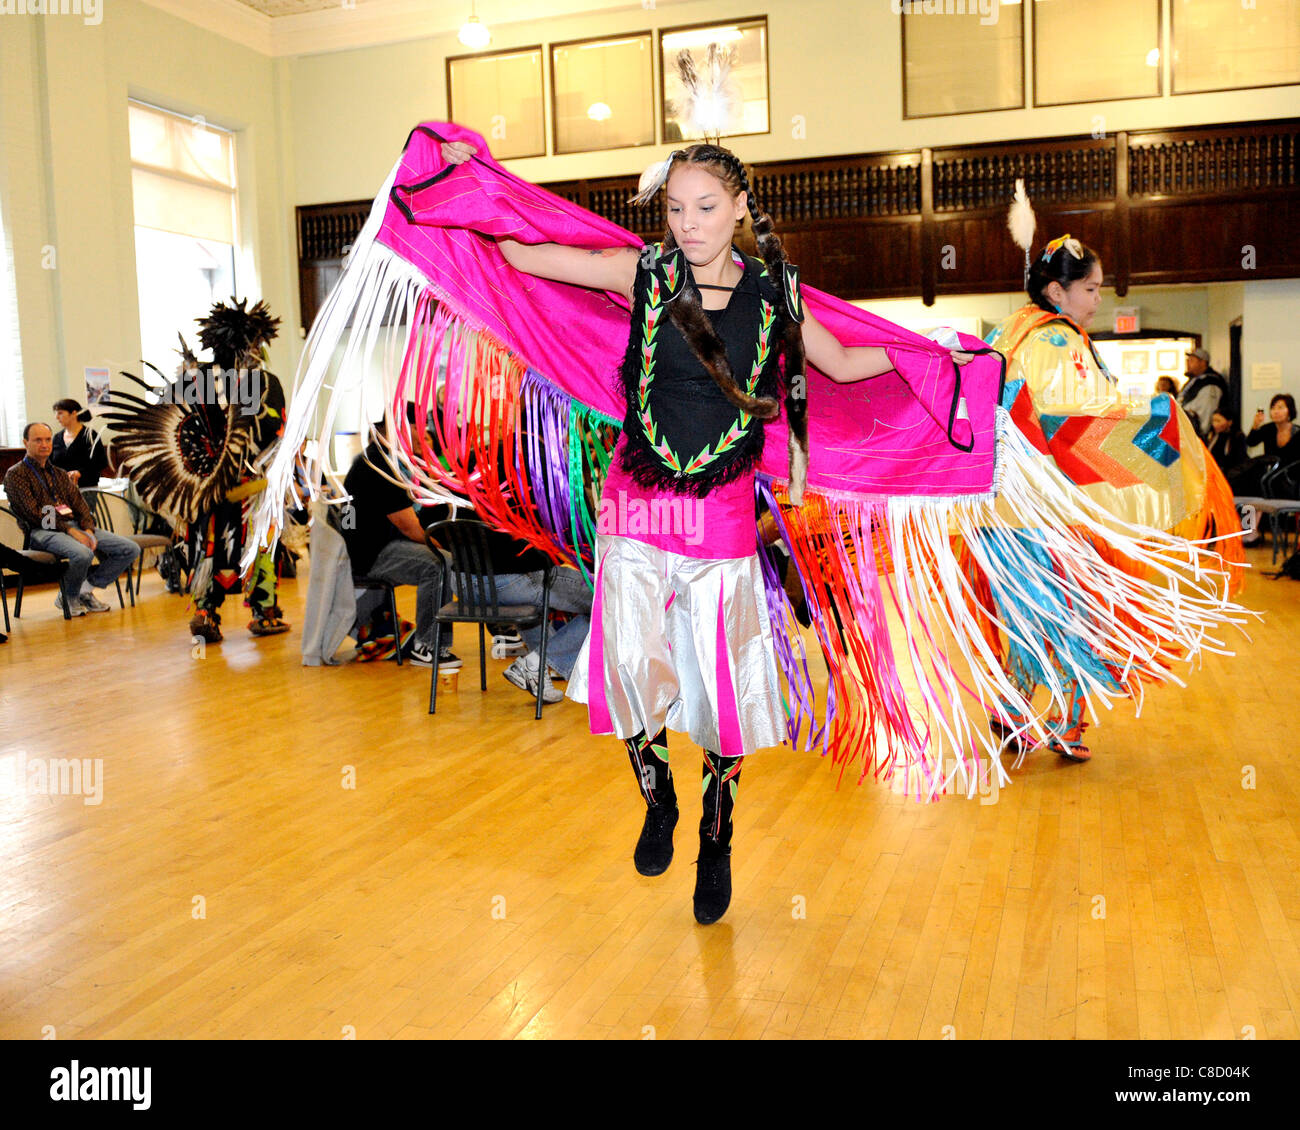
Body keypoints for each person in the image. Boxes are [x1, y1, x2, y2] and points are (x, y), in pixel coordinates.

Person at [440, 137, 973, 925]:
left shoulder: (776, 290)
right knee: (628, 668)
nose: (687, 225)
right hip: (638, 504)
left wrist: (936, 359)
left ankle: (715, 833)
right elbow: (528, 255)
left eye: (705, 208)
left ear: (740, 209)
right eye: (675, 209)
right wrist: (459, 187)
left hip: (720, 511)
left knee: (725, 689)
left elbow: (840, 361)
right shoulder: (644, 274)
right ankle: (658, 799)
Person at [983, 233, 1242, 763]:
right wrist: (1157, 417)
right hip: (1047, 511)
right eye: (1092, 289)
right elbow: (1069, 420)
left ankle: (1015, 708)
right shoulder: (1057, 340)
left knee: (1032, 610)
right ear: (1058, 291)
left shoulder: (1013, 331)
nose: (1099, 299)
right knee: (1069, 613)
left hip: (1009, 507)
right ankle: (1059, 722)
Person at [341, 429, 461, 670]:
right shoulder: (380, 466)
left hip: (375, 546)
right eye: (416, 434)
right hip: (369, 554)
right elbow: (410, 529)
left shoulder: (389, 461)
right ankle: (427, 646)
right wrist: (452, 551)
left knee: (445, 559)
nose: (422, 440)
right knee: (439, 563)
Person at [2, 422, 139, 615]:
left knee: (129, 549)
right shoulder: (16, 474)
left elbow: (79, 504)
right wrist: (71, 531)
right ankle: (68, 596)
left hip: (74, 527)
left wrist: (88, 529)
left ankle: (84, 589)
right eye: (38, 440)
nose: (44, 444)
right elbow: (34, 514)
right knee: (83, 553)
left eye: (48, 440)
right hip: (42, 532)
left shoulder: (58, 473)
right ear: (26, 442)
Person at [1230, 393, 1300, 496]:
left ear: (1290, 411)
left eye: (1280, 408)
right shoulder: (1268, 428)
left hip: (1289, 474)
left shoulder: (1297, 432)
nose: (1275, 411)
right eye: (1273, 408)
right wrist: (1255, 426)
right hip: (1269, 470)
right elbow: (1251, 442)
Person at [50, 399, 109, 488]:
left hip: (87, 488)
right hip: (61, 488)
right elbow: (51, 463)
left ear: (73, 413)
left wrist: (80, 473)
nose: (56, 417)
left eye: (60, 413)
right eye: (56, 413)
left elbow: (101, 462)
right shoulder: (57, 438)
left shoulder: (90, 435)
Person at [1179, 348, 1228, 438]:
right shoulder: (1195, 380)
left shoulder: (1210, 383)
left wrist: (1199, 436)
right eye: (1188, 360)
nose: (1188, 363)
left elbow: (1207, 412)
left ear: (1203, 363)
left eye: (1192, 360)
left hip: (1197, 435)